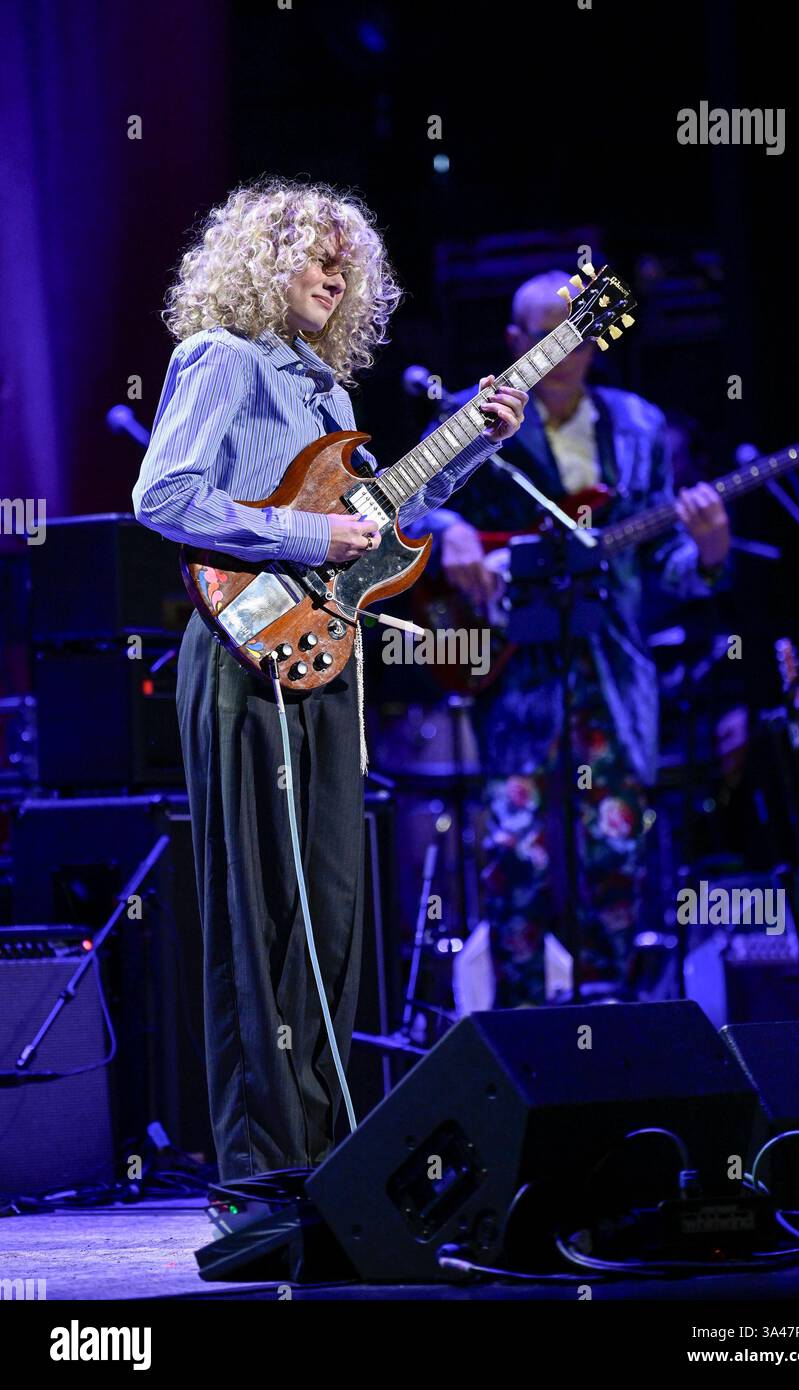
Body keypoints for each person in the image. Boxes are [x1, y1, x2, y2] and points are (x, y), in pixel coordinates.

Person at [132, 178, 526, 1178]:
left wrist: (467, 451)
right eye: (317, 255)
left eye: (347, 262)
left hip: (326, 659)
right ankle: (259, 1168)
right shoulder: (219, 357)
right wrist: (310, 530)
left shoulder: (330, 390)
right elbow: (164, 493)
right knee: (256, 910)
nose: (336, 272)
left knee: (332, 906)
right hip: (237, 649)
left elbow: (375, 535)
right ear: (267, 265)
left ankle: (325, 1151)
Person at [418, 269, 730, 1006]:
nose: (564, 350)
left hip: (612, 668)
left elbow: (668, 566)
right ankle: (528, 1038)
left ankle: (609, 1025)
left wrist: (711, 550)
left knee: (617, 853)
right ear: (514, 342)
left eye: (577, 332)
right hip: (513, 665)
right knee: (513, 855)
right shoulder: (476, 414)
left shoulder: (640, 427)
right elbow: (401, 501)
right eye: (545, 335)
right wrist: (452, 530)